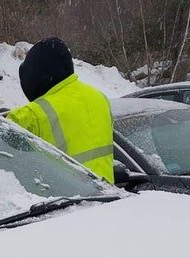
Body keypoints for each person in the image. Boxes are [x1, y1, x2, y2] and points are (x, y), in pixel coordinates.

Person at [6, 37, 115, 183]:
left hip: (60, 196)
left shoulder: (32, 114)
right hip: (108, 193)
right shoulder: (100, 98)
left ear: (36, 75)